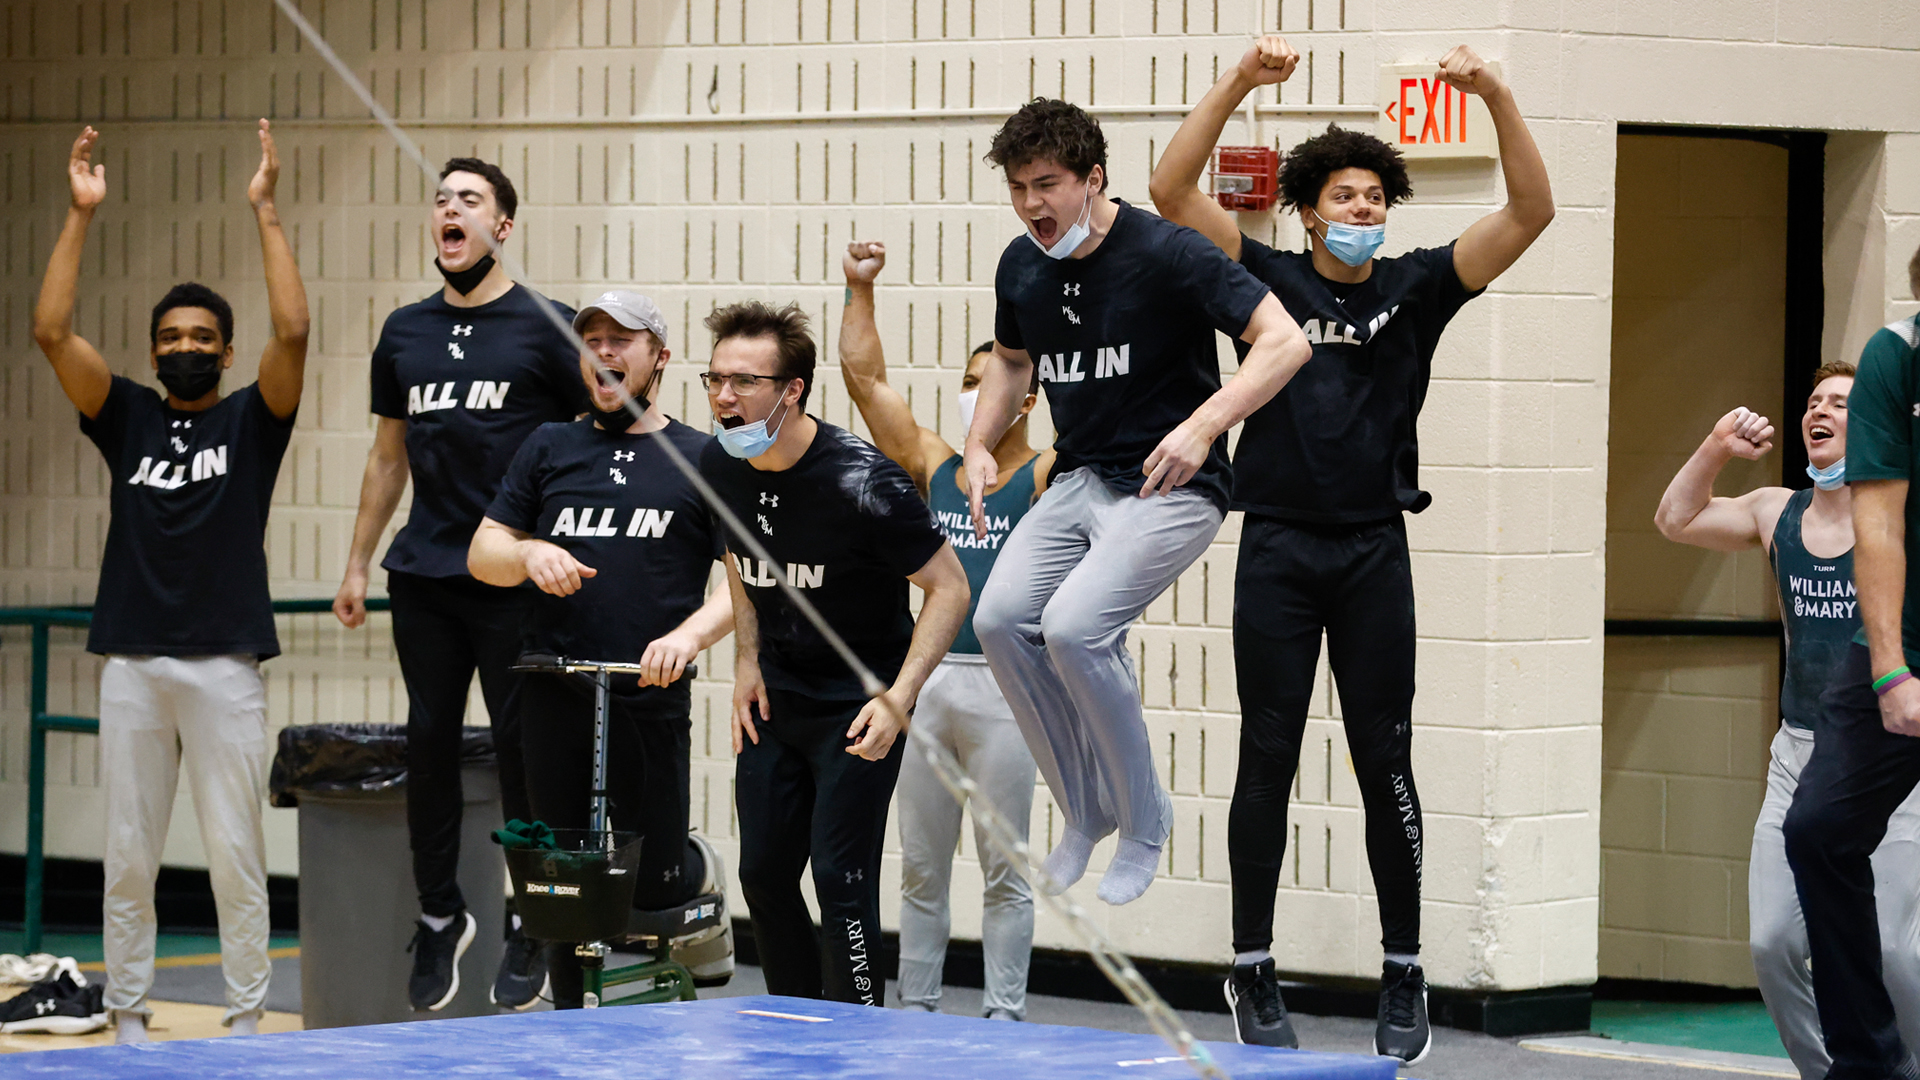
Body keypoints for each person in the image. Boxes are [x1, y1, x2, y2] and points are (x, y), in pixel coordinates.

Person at [1148, 38, 1554, 1060]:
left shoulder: (1417, 287)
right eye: (1346, 195)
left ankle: (1404, 969)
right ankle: (1250, 966)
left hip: (1375, 551)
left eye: (1377, 196)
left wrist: (1498, 93)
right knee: (1268, 757)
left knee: (1387, 761)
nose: (1364, 211)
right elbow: (1167, 187)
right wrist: (1239, 82)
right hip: (1278, 548)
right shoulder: (1265, 275)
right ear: (1309, 205)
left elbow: (1529, 214)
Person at [965, 99, 1312, 911]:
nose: (1031, 205)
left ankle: (1146, 820)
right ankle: (1086, 814)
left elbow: (1285, 341)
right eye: (1017, 188)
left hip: (1173, 485)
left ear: (1094, 179)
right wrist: (983, 439)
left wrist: (1204, 426)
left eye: (1047, 185)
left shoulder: (1168, 252)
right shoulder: (1022, 265)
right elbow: (1013, 364)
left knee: (1076, 628)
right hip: (1083, 477)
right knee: (998, 621)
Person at [32, 122, 307, 1043]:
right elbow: (50, 331)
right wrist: (81, 214)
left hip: (225, 662)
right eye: (170, 336)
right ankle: (128, 1014)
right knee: (126, 857)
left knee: (234, 854)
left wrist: (265, 212)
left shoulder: (252, 420)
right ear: (153, 354)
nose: (185, 344)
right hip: (133, 663)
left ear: (226, 354)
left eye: (202, 336)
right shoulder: (125, 415)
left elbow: (296, 329)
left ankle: (243, 1019)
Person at [330, 157, 589, 1012]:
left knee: (524, 749)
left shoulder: (549, 327)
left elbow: (587, 449)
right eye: (441, 200)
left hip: (514, 574)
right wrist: (359, 558)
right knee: (430, 740)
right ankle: (441, 913)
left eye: (469, 200)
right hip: (427, 573)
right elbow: (386, 455)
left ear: (502, 227)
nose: (450, 209)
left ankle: (532, 914)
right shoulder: (404, 332)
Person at [469, 290, 737, 1008]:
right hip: (556, 687)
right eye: (592, 339)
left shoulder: (700, 457)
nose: (605, 353)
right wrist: (526, 555)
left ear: (659, 357)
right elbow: (483, 551)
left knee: (651, 888)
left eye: (623, 339)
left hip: (648, 691)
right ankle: (570, 1024)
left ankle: (689, 883)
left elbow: (745, 582)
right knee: (563, 885)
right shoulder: (549, 446)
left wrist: (687, 638)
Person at [699, 300, 970, 1006]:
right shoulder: (718, 466)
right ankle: (793, 1023)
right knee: (760, 871)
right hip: (778, 694)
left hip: (859, 704)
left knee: (839, 877)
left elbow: (949, 589)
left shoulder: (864, 482)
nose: (724, 398)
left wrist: (900, 695)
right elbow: (738, 559)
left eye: (745, 382)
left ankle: (855, 1033)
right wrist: (746, 662)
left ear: (792, 390)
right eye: (715, 379)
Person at [1656, 365, 1920, 1077]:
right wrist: (1715, 448)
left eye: (1841, 402)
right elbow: (1674, 520)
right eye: (1813, 402)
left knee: (1896, 952)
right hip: (1801, 753)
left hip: (1887, 759)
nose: (1821, 411)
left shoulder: (1899, 520)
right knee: (1774, 944)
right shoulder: (1778, 512)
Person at [838, 241, 1050, 1021]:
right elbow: (866, 384)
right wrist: (860, 289)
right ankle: (917, 1009)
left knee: (1005, 867)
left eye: (988, 382)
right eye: (967, 382)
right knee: (921, 867)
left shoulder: (1048, 469)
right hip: (924, 683)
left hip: (1007, 689)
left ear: (1024, 394)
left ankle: (1005, 1015)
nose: (974, 396)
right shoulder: (933, 465)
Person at [1783, 258, 1920, 1080]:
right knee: (1819, 831)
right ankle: (1868, 1062)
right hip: (1901, 645)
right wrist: (1891, 670)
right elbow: (1880, 522)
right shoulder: (1893, 356)